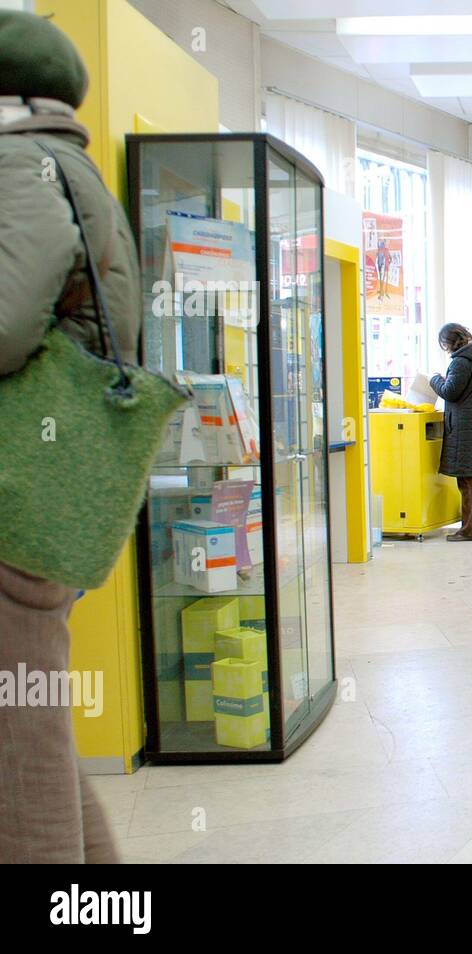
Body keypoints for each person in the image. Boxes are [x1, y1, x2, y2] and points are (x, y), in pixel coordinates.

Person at [0, 10, 140, 863]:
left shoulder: (19, 166)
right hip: (65, 483)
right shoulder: (74, 168)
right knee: (31, 715)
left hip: (22, 487)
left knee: (21, 744)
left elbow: (8, 323)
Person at [429, 323, 472, 542]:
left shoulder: (461, 361)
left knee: (467, 479)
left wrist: (435, 379)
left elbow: (450, 392)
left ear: (450, 342)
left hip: (465, 427)